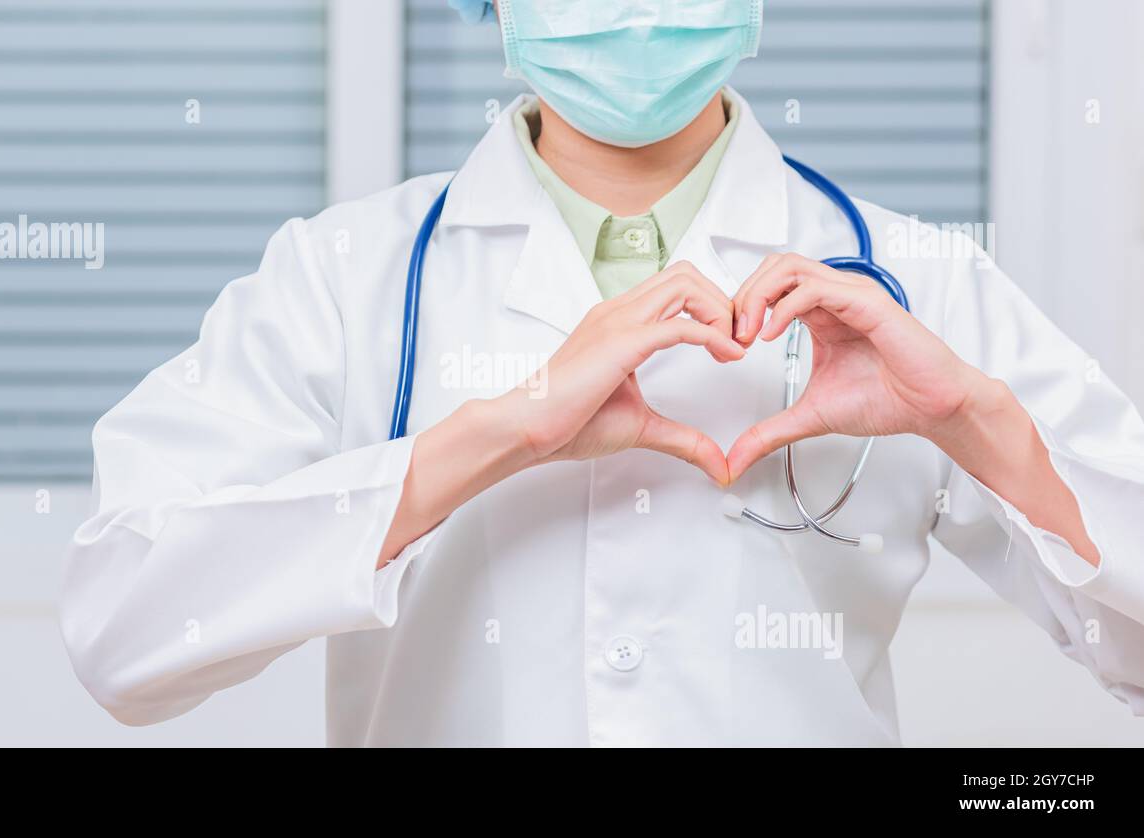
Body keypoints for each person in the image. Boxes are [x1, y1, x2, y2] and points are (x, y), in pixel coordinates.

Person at [59, 0, 1144, 746]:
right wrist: (497, 437)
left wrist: (975, 421)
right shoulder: (346, 279)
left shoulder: (918, 283)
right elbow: (122, 631)